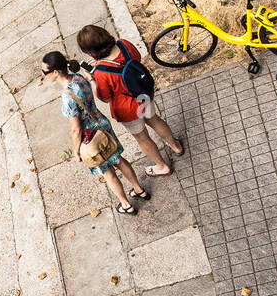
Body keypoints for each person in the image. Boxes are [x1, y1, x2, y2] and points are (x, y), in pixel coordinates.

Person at [41, 51, 148, 215]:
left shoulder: (67, 97)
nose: (43, 75)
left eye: (45, 72)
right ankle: (139, 189)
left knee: (107, 172)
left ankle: (126, 204)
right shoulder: (78, 78)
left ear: (55, 72)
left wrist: (76, 152)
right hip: (102, 124)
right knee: (118, 159)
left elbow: (76, 129)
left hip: (90, 137)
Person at [77, 24, 183, 176]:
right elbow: (137, 58)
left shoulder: (101, 72)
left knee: (142, 137)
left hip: (127, 109)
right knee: (155, 120)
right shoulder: (124, 44)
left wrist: (92, 79)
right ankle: (175, 145)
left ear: (91, 51)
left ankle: (161, 166)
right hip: (142, 95)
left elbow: (104, 97)